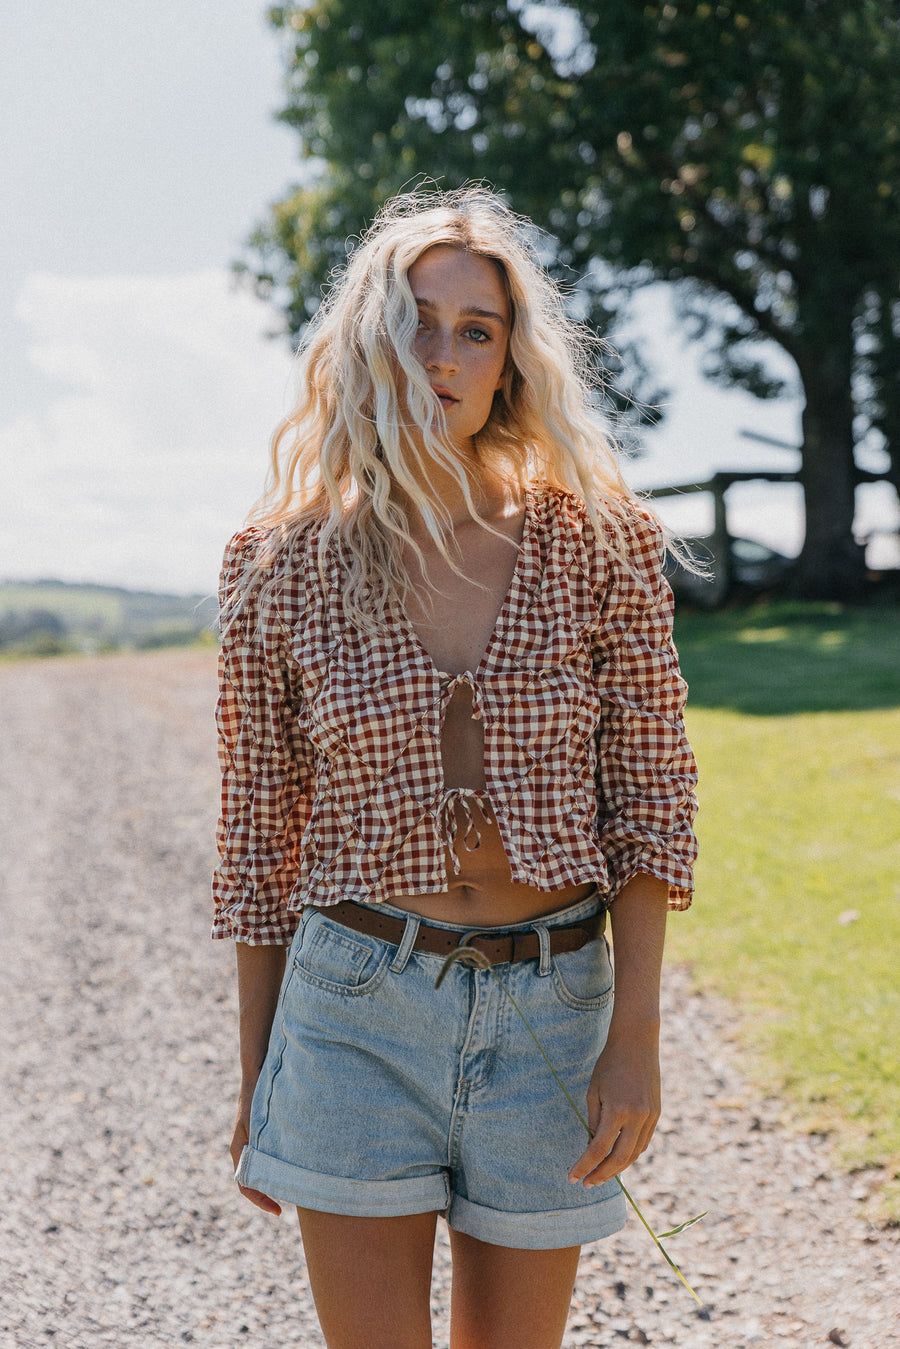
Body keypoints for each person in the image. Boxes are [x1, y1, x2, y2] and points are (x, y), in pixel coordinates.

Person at [212, 186, 698, 1349]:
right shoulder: (275, 565)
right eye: (418, 321)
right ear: (367, 344)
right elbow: (255, 843)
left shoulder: (603, 538)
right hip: (356, 1012)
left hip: (557, 1008)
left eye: (477, 328)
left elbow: (653, 801)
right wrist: (257, 1079)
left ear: (511, 360)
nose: (445, 354)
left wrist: (636, 1036)